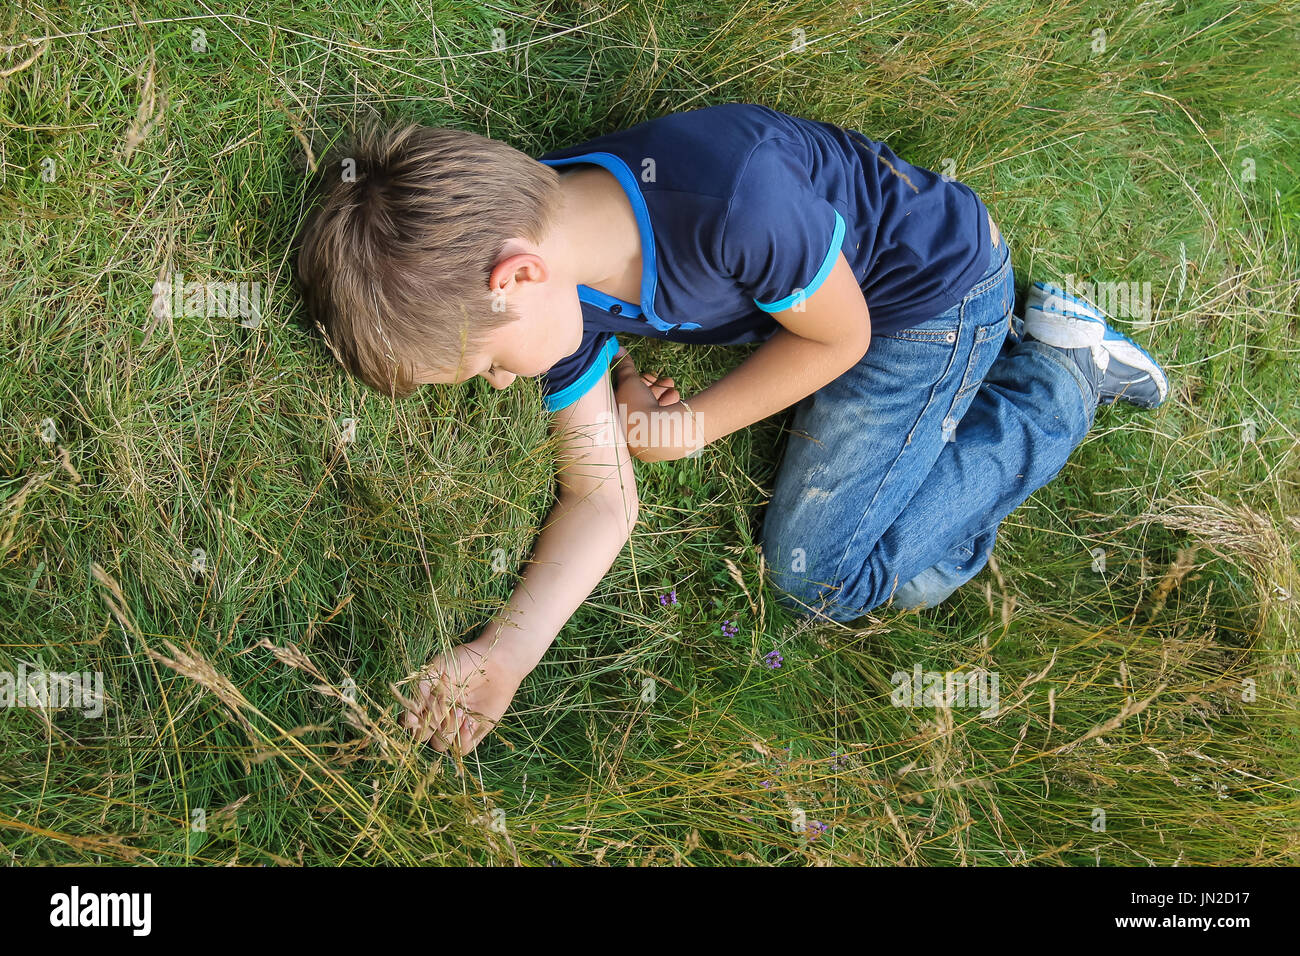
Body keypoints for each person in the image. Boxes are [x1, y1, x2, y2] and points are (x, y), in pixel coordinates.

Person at [295, 102, 1169, 754]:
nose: (496, 383)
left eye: (485, 362)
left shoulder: (729, 204)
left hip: (929, 298)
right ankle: (959, 453)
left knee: (816, 579)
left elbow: (846, 336)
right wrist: (507, 652)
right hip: (825, 317)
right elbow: (600, 495)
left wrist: (701, 423)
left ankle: (1058, 374)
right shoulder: (556, 281)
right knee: (904, 568)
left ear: (516, 276)